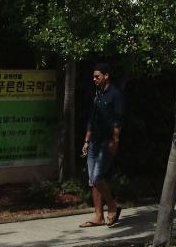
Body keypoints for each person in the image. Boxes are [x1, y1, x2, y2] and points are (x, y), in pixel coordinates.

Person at [79, 63, 124, 228]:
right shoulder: (97, 94)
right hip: (94, 142)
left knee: (98, 177)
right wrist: (86, 141)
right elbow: (91, 119)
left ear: (106, 76)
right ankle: (98, 216)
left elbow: (118, 120)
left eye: (97, 76)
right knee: (92, 180)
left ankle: (112, 206)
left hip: (107, 141)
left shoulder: (116, 94)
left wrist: (115, 140)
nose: (94, 79)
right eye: (93, 76)